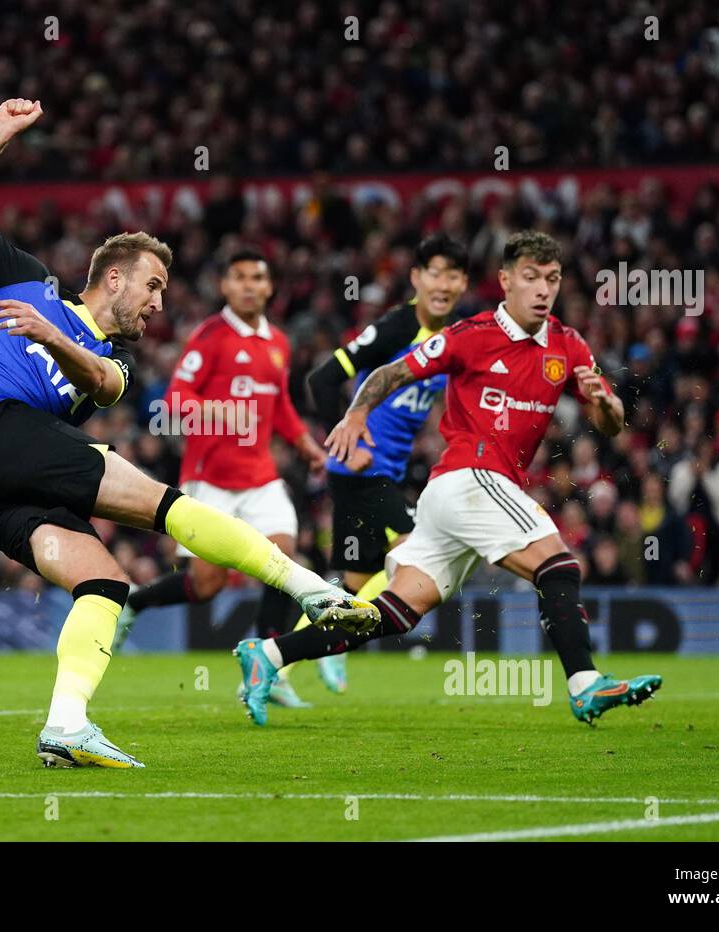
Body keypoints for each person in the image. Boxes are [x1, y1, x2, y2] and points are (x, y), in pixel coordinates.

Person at [0, 98, 377, 768]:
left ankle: (65, 726)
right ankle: (310, 588)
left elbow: (102, 384)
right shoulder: (27, 281)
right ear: (114, 277)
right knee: (165, 506)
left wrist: (55, 339)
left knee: (104, 583)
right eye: (154, 287)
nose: (160, 304)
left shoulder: (115, 363)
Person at [237, 231, 662, 726]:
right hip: (469, 477)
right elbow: (390, 374)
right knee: (559, 567)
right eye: (530, 278)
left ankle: (270, 654)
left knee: (394, 612)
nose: (543, 289)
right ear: (506, 282)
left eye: (551, 279)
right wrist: (354, 416)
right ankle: (585, 684)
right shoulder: (471, 334)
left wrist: (608, 404)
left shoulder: (568, 345)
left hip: (459, 497)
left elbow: (609, 421)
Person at [114, 249, 327, 710]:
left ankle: (267, 664)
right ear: (226, 287)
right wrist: (213, 410)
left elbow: (280, 407)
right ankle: (136, 601)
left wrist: (305, 444)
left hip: (261, 478)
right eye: (240, 278)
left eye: (258, 277)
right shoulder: (210, 336)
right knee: (206, 584)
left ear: (269, 288)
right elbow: (176, 399)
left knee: (286, 561)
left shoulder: (279, 343)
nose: (249, 285)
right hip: (210, 478)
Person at [299, 232, 467, 696]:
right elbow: (322, 377)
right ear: (416, 278)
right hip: (360, 471)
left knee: (351, 582)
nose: (443, 282)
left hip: (383, 472)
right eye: (434, 271)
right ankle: (333, 645)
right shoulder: (396, 328)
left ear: (463, 283)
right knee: (418, 541)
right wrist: (344, 432)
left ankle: (278, 662)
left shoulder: (454, 337)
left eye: (453, 274)